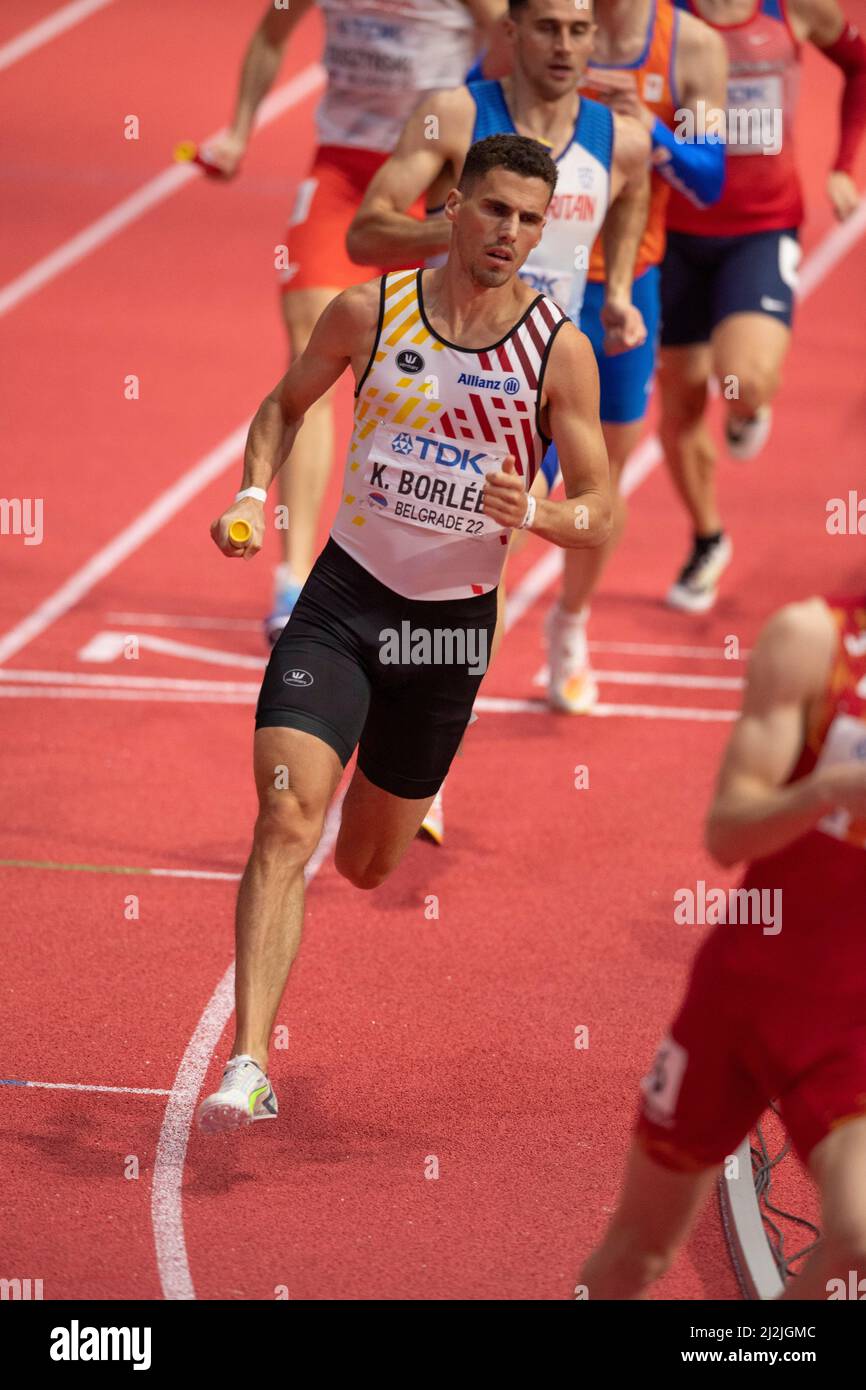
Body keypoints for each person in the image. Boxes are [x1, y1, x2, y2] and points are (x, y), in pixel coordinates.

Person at [196, 135, 612, 1132]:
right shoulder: (367, 311)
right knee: (287, 817)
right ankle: (249, 1060)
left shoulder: (558, 353)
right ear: (452, 207)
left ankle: (383, 815)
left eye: (528, 217)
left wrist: (544, 515)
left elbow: (602, 508)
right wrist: (251, 494)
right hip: (342, 603)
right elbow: (281, 404)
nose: (509, 232)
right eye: (494, 210)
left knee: (366, 862)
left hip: (446, 638)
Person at [347, 0, 652, 838]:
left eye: (580, 30)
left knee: (485, 564)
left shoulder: (621, 139)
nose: (565, 45)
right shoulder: (453, 112)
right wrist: (457, 241)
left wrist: (617, 289)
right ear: (510, 32)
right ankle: (393, 718)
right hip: (428, 372)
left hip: (528, 394)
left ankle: (421, 749)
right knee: (401, 550)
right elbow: (367, 233)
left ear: (597, 37)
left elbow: (631, 198)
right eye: (547, 27)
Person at [578, 590, 866, 1299]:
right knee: (638, 1252)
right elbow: (727, 831)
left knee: (860, 1238)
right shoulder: (813, 640)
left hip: (852, 1026)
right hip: (743, 999)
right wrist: (828, 791)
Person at [201, 0, 506, 644]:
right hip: (344, 169)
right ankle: (292, 577)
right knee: (313, 350)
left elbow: (512, 40)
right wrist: (237, 131)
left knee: (448, 371)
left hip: (437, 174)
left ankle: (433, 581)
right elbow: (270, 33)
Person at [535, 0, 728, 709]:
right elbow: (474, 113)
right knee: (514, 495)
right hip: (532, 286)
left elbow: (709, 181)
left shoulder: (694, 47)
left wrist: (652, 133)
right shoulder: (544, 23)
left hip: (625, 290)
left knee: (600, 484)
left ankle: (571, 625)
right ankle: (441, 714)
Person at [660, 0, 866, 614]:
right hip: (670, 233)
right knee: (683, 398)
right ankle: (707, 537)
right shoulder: (656, 15)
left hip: (761, 229)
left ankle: (748, 409)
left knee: (743, 381)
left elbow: (860, 64)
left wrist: (843, 167)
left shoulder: (793, 9)